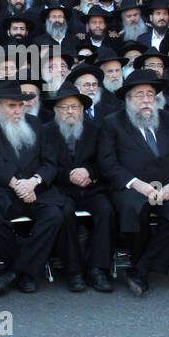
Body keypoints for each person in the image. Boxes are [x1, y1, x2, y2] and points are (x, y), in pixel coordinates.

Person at [97, 68, 169, 295]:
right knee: (133, 208)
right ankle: (140, 265)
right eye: (139, 95)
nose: (146, 100)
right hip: (132, 187)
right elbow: (107, 162)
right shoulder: (113, 123)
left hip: (167, 186)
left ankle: (140, 269)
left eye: (150, 94)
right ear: (128, 99)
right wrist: (137, 184)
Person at [0, 80, 66, 295]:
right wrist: (16, 185)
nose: (18, 111)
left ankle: (17, 270)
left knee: (54, 216)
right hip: (0, 191)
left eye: (20, 106)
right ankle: (26, 272)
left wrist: (33, 182)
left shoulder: (35, 123)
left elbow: (49, 162)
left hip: (34, 189)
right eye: (12, 106)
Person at [42, 82, 115, 292]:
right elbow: (45, 164)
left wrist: (89, 173)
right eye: (64, 107)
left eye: (74, 106)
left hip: (91, 187)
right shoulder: (46, 131)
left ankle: (97, 269)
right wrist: (69, 176)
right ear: (56, 110)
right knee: (65, 213)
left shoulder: (95, 130)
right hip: (61, 189)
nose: (70, 111)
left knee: (106, 210)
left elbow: (105, 162)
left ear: (82, 109)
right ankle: (73, 270)